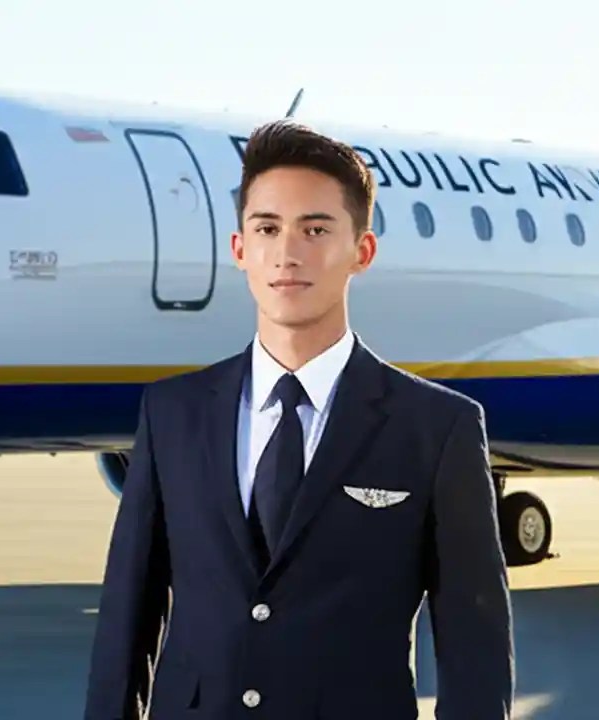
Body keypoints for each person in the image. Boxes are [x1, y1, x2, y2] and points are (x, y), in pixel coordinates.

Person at [83, 119, 514, 719]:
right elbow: (128, 622)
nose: (287, 253)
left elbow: (475, 647)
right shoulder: (172, 415)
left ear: (361, 251)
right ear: (239, 250)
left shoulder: (438, 428)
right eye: (267, 229)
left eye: (315, 229)